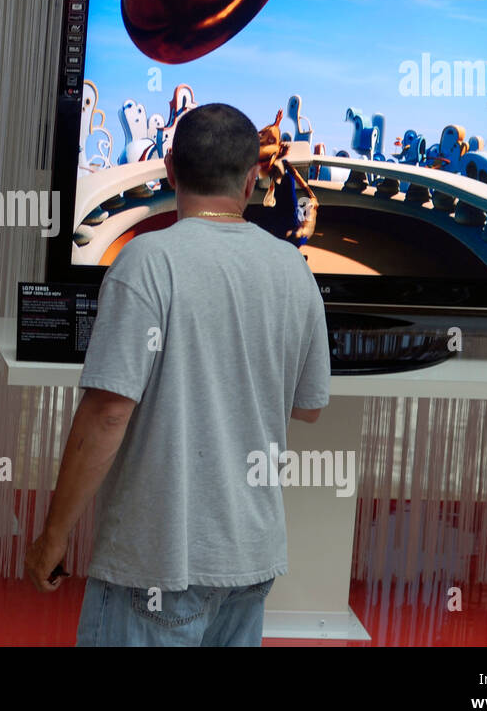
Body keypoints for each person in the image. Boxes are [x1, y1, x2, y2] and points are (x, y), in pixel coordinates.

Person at [24, 103, 331, 646]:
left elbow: (109, 412)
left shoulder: (147, 262)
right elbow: (307, 406)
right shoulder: (293, 271)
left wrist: (54, 536)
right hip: (250, 561)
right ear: (252, 177)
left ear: (170, 168)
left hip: (158, 562)